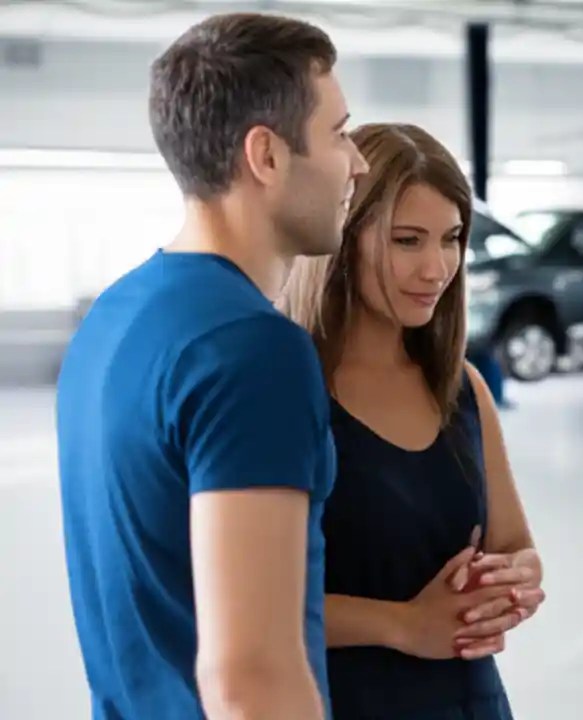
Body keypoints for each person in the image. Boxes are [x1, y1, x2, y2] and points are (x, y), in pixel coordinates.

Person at [55, 12, 367, 719]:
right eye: (340, 133)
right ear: (267, 156)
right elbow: (250, 679)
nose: (359, 163)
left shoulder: (114, 316)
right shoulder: (251, 349)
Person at [278, 122, 545, 719]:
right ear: (344, 238)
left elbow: (517, 546)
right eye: (407, 240)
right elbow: (246, 609)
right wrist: (402, 624)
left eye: (451, 239)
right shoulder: (286, 392)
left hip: (468, 699)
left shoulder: (462, 388)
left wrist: (512, 583)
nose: (437, 268)